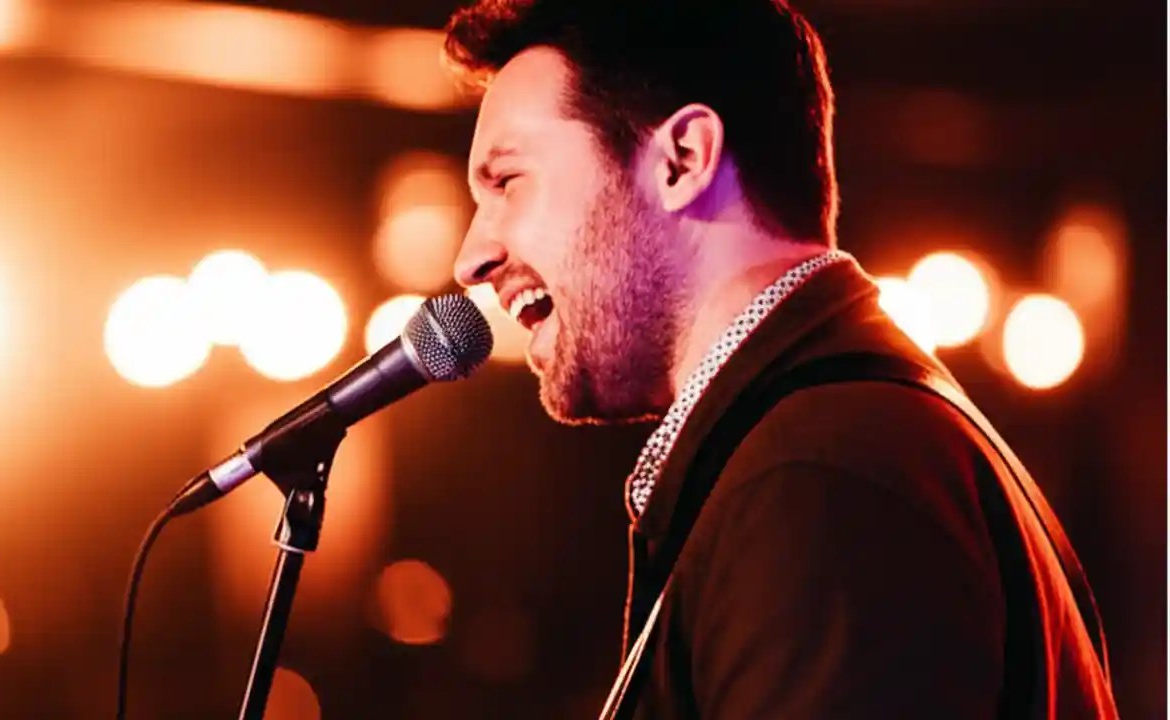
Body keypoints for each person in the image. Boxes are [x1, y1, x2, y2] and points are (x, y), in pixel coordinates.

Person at [443, 0, 1120, 717]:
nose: (471, 258)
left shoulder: (820, 476)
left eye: (507, 181)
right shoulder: (841, 447)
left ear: (681, 159)